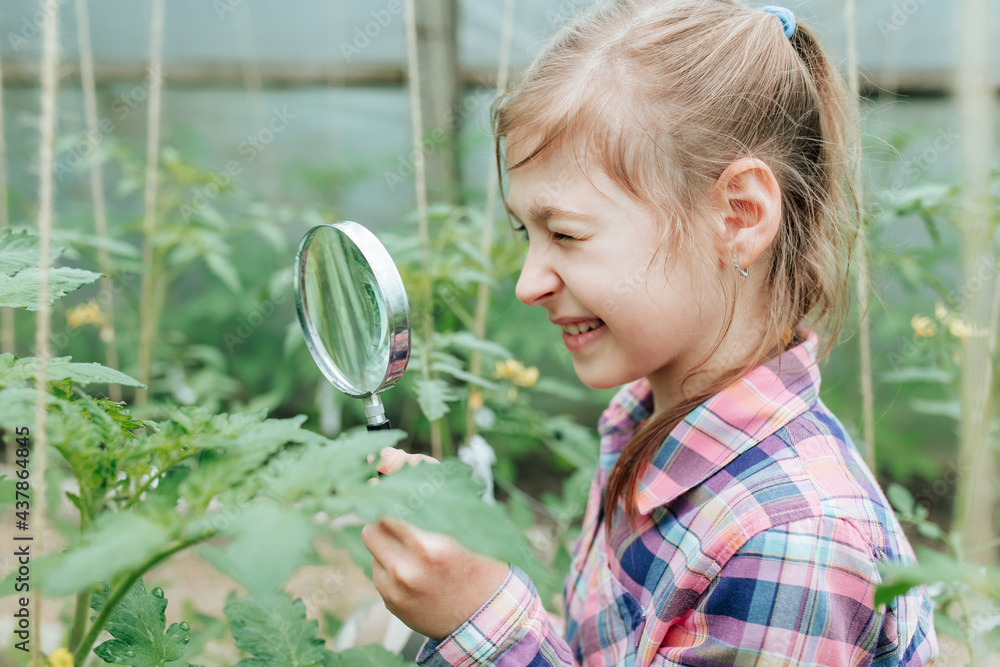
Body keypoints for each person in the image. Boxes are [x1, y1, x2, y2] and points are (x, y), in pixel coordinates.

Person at [361, 0, 939, 664]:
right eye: (528, 233)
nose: (527, 283)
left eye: (567, 234)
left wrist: (482, 620)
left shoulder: (791, 543)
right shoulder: (651, 417)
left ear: (739, 216)